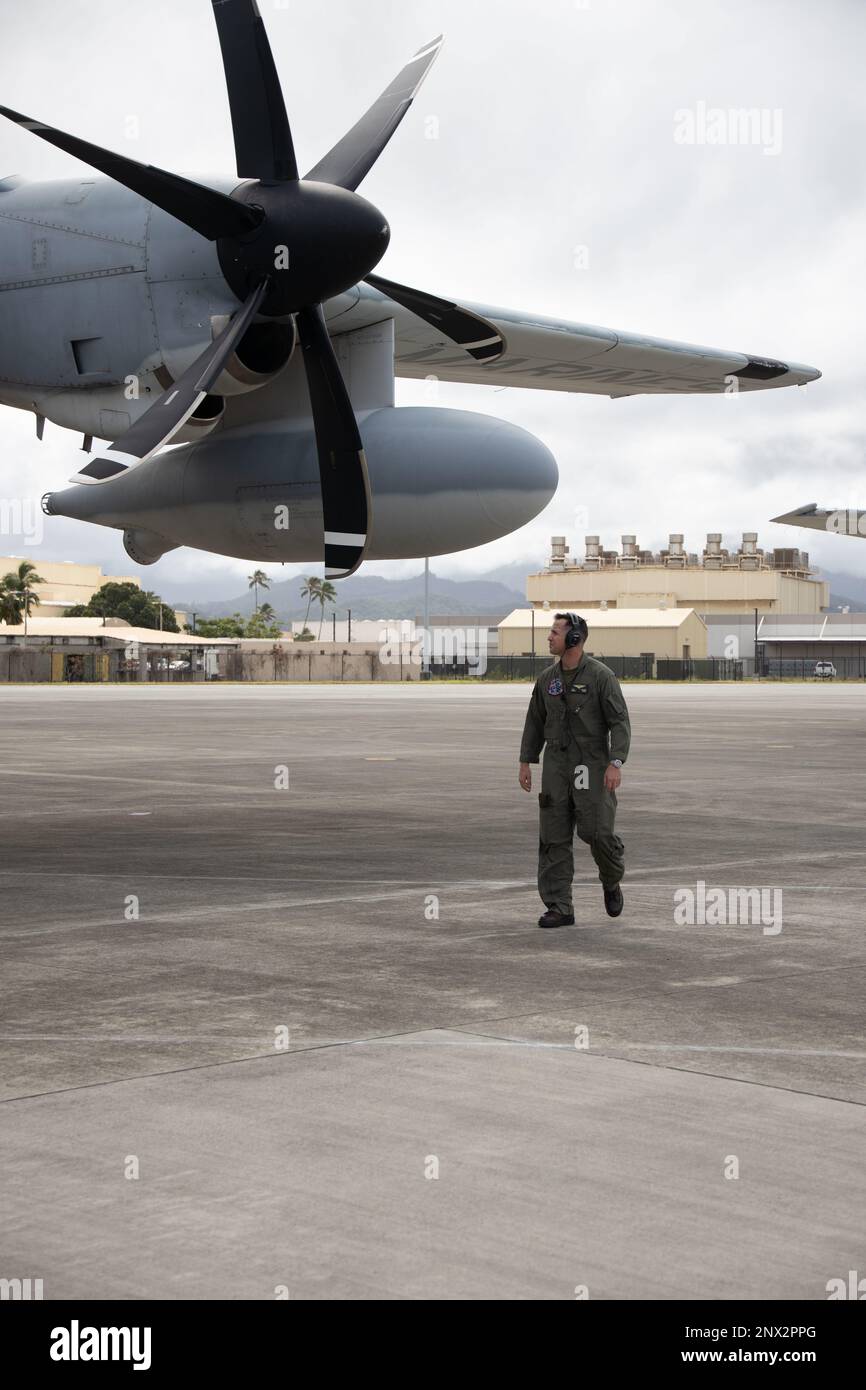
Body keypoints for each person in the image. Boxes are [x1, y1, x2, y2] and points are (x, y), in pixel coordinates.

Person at [518, 612, 631, 928]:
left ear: (574, 638)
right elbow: (535, 721)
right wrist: (526, 761)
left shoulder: (600, 677)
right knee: (552, 836)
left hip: (592, 765)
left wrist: (615, 762)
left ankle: (611, 879)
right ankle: (560, 906)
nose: (549, 637)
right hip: (556, 766)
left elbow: (619, 722)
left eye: (555, 632)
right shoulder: (547, 680)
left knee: (597, 833)